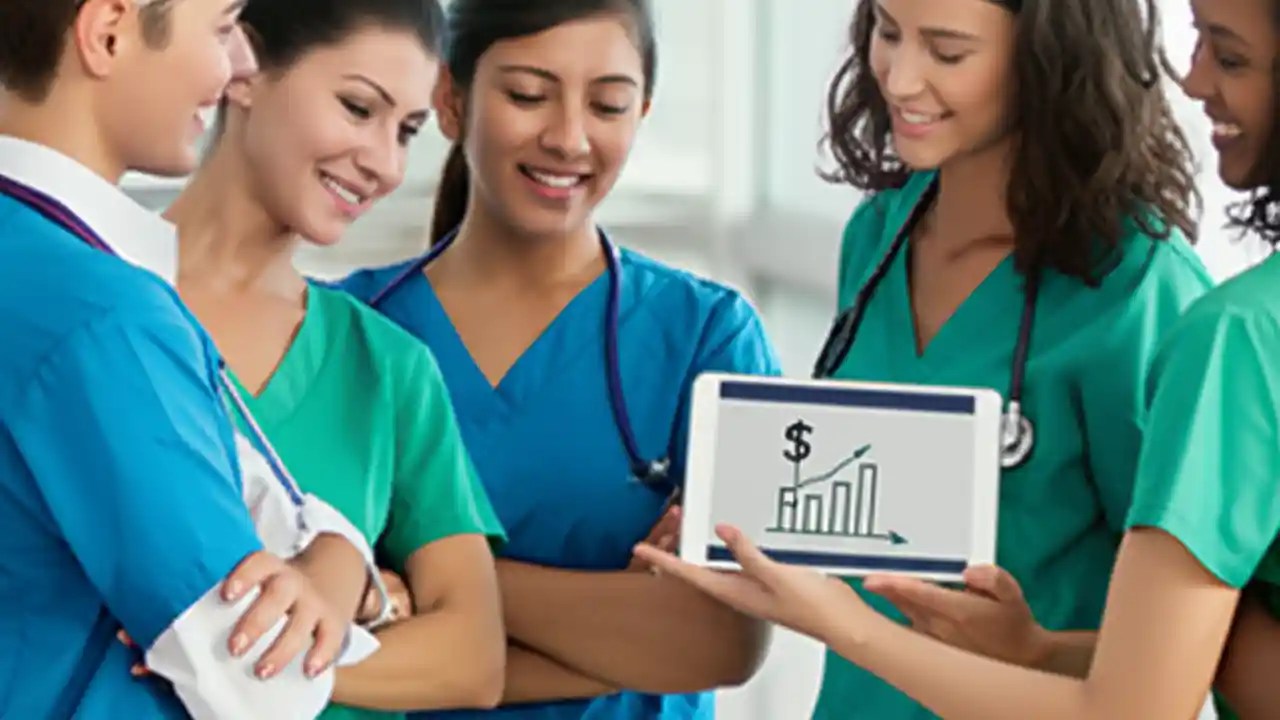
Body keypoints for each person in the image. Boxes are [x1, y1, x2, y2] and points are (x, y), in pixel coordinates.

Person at [632, 0, 1222, 717]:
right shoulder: (880, 233)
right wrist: (736, 521)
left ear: (1050, 61)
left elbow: (1202, 650)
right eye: (887, 31)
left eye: (947, 53)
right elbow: (872, 508)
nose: (900, 79)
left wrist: (1033, 644)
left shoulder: (1139, 289)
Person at [339, 0, 777, 718]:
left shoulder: (709, 338)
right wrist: (618, 635)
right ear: (451, 100)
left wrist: (428, 589)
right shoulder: (346, 330)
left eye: (608, 105)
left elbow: (720, 642)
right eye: (527, 96)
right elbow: (308, 642)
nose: (570, 138)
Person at [0, 0, 376, 718]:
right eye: (222, 26)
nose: (239, 65)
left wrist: (333, 555)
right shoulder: (107, 320)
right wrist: (346, 565)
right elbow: (261, 680)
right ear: (108, 32)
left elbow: (266, 501)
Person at [159, 0, 509, 717]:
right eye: (357, 108)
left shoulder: (387, 367)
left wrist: (274, 655)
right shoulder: (96, 309)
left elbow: (473, 657)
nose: (384, 163)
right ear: (241, 68)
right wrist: (360, 616)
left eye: (407, 131)